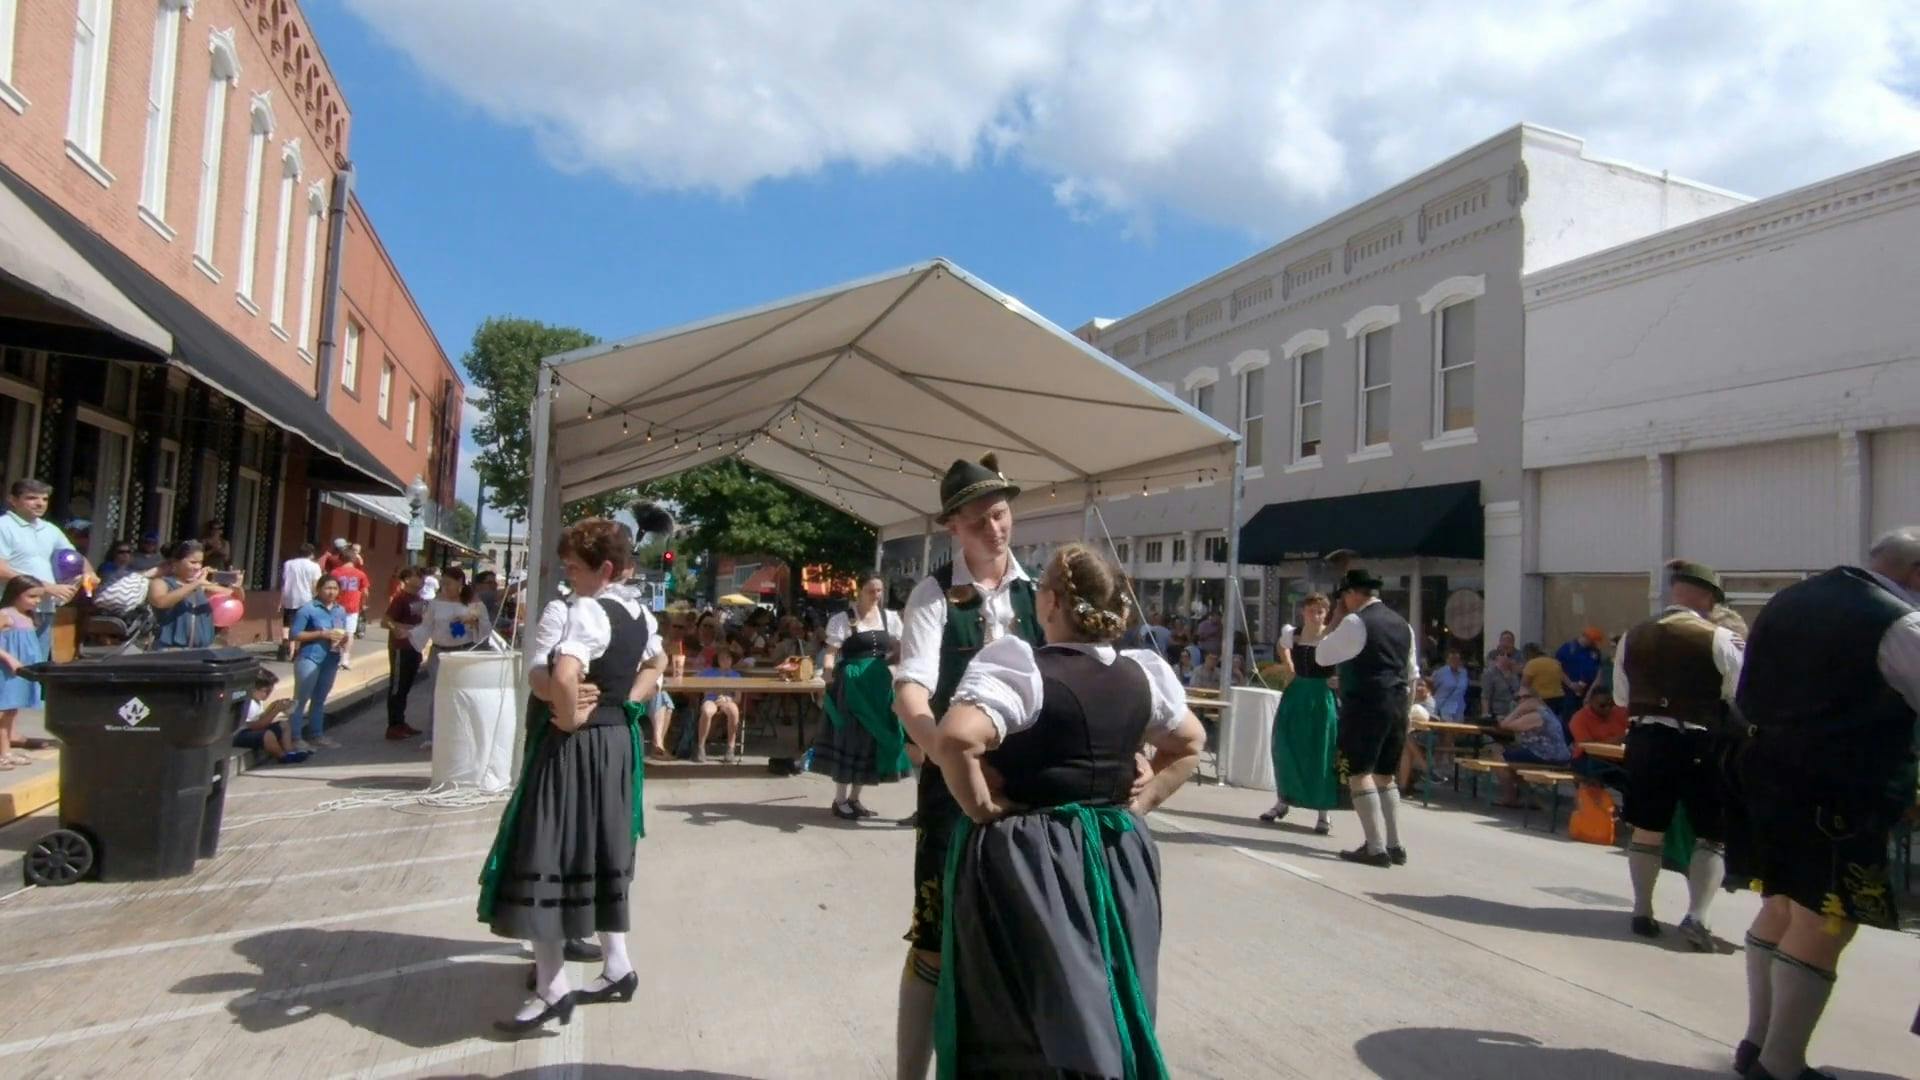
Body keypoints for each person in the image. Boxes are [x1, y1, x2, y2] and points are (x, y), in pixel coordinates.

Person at [930, 543, 1205, 1076]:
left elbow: (956, 738)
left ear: (1051, 601)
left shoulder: (1025, 668)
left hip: (1037, 861)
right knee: (1113, 993)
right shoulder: (1142, 674)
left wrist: (984, 808)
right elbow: (1190, 742)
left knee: (1025, 1010)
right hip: (1121, 854)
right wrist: (1141, 800)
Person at [1721, 529, 1919, 1080]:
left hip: (1766, 773)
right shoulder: (1898, 621)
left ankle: (1756, 1045)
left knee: (1781, 903)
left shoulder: (1790, 599)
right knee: (1826, 920)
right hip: (1838, 786)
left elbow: (1744, 690)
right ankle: (1781, 1064)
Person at [891, 453, 1049, 1078]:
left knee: (1022, 937)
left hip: (1032, 792)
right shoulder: (934, 595)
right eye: (980, 520)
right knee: (934, 937)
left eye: (1002, 515)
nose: (995, 529)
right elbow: (910, 691)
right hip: (952, 793)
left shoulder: (1042, 594)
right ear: (952, 525)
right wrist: (946, 758)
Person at [477, 518, 664, 1036]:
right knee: (602, 849)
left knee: (547, 849)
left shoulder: (585, 609)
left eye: (574, 567)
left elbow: (561, 675)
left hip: (577, 745)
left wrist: (572, 712)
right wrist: (623, 703)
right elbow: (657, 664)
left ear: (604, 569)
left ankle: (553, 988)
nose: (567, 574)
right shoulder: (638, 612)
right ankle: (615, 967)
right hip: (614, 745)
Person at [1614, 558, 1744, 950]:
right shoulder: (1717, 638)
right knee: (1711, 832)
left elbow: (1622, 696)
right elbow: (1740, 691)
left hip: (1646, 739)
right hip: (1701, 742)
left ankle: (1642, 910)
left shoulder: (1632, 635)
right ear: (1708, 596)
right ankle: (1697, 916)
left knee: (1647, 829)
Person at [1314, 568, 1418, 869]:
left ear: (1352, 594)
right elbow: (1412, 674)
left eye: (1344, 596)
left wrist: (1333, 621)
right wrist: (1407, 713)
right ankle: (1395, 844)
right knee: (1386, 775)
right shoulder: (1403, 624)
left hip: (1366, 703)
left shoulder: (1355, 622)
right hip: (1398, 704)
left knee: (1359, 772)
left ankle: (1375, 847)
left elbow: (1322, 655)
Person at [810, 574, 910, 819]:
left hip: (879, 683)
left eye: (879, 590)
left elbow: (898, 648)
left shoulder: (890, 618)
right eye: (871, 591)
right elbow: (832, 652)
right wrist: (828, 675)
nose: (876, 596)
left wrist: (896, 667)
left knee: (872, 738)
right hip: (852, 684)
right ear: (860, 592)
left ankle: (855, 799)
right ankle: (840, 799)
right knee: (851, 737)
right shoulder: (844, 619)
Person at [1262, 593, 1338, 834]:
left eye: (1320, 611)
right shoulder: (1293, 633)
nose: (1316, 615)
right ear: (1303, 612)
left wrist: (1339, 678)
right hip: (1297, 693)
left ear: (1326, 613)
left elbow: (1351, 658)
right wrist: (1288, 665)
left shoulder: (1332, 636)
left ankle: (1323, 813)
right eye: (1312, 611)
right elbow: (1281, 645)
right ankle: (1283, 800)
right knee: (1286, 746)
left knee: (1321, 749)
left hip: (1320, 695)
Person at [0, 479, 90, 659]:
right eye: (31, 498)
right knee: (11, 665)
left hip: (45, 607)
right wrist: (48, 587)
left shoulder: (50, 529)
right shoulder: (4, 526)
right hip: (11, 608)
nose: (40, 503)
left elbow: (76, 558)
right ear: (13, 500)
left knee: (37, 664)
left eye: (44, 499)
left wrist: (89, 574)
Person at [288, 575, 349, 751]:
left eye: (335, 589)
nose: (331, 592)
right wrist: (321, 634)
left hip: (331, 658)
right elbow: (295, 634)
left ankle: (316, 734)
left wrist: (343, 639)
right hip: (309, 657)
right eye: (328, 588)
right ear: (319, 589)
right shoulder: (307, 609)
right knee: (300, 699)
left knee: (320, 699)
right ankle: (295, 737)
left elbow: (344, 632)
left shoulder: (340, 610)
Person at [149, 541, 240, 649]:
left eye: (200, 563)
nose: (197, 567)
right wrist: (196, 583)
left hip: (201, 651)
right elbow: (160, 602)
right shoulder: (161, 583)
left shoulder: (202, 585)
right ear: (175, 563)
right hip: (170, 650)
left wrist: (237, 586)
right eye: (193, 562)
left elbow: (235, 597)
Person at [1493, 688, 1571, 807]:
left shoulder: (1537, 715)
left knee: (1498, 756)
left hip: (1548, 755)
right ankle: (1530, 798)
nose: (1522, 700)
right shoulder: (1546, 711)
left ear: (1536, 699)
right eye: (1519, 698)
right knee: (1511, 762)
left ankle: (1509, 798)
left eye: (1526, 697)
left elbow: (1504, 725)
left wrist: (1519, 709)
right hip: (1552, 754)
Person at [0, 576, 47, 769]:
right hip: (7, 670)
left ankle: (6, 751)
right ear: (16, 594)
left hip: (21, 671)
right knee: (3, 712)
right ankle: (2, 753)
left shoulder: (28, 617)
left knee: (11, 710)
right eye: (31, 596)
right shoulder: (5, 615)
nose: (36, 601)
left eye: (39, 598)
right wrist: (9, 658)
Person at [382, 567, 427, 740]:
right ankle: (393, 725)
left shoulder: (418, 599)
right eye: (418, 576)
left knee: (406, 686)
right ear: (407, 579)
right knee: (398, 686)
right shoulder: (400, 599)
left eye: (423, 577)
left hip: (414, 647)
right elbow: (386, 620)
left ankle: (401, 721)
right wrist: (397, 629)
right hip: (401, 647)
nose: (422, 580)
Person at [233, 669, 309, 764]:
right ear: (253, 688)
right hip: (240, 734)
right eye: (265, 691)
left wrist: (272, 707)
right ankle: (282, 756)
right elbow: (258, 725)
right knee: (268, 734)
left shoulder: (258, 700)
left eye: (270, 692)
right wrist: (276, 710)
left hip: (253, 729)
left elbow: (260, 718)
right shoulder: (247, 704)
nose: (268, 695)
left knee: (284, 724)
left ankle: (290, 751)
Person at [1567, 685, 1630, 788]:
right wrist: (1615, 741)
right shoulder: (1579, 718)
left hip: (1618, 757)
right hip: (1589, 758)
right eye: (1602, 705)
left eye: (1611, 704)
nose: (1608, 708)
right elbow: (1587, 746)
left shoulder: (1619, 712)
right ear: (1591, 702)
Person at [692, 641, 745, 763]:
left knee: (734, 711)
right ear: (717, 660)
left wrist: (728, 699)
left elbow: (738, 698)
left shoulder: (736, 676)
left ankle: (731, 747)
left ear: (732, 660)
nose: (725, 661)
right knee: (706, 711)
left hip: (727, 699)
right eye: (722, 658)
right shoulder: (709, 672)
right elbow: (694, 678)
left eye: (727, 658)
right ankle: (701, 747)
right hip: (711, 698)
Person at [277, 544, 321, 661]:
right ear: (311, 554)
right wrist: (317, 597)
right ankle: (295, 651)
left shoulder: (288, 564)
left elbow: (284, 581)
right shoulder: (314, 566)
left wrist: (281, 599)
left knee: (287, 623)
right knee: (301, 626)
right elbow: (315, 584)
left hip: (289, 597)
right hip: (306, 598)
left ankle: (285, 643)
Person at [1555, 627, 1607, 724]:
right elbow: (1557, 668)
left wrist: (1590, 693)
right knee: (1569, 721)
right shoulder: (1567, 649)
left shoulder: (1595, 652)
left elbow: (1599, 672)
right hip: (1569, 693)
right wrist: (1570, 684)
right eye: (1593, 641)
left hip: (1589, 693)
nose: (1594, 644)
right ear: (1587, 638)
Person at [332, 551, 371, 670]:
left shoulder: (335, 572)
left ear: (341, 559)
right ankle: (345, 659)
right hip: (353, 607)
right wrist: (363, 603)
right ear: (354, 560)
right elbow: (365, 591)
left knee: (337, 632)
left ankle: (335, 657)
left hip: (337, 606)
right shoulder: (360, 574)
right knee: (349, 633)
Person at [1520, 642, 1571, 714]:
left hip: (1542, 699)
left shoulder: (1531, 664)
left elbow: (1524, 685)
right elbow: (1564, 678)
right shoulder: (1554, 662)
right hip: (1559, 698)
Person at [1481, 648, 1523, 722]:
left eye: (1508, 655)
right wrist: (1486, 715)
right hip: (1498, 713)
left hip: (1514, 713)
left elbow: (1518, 691)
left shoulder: (1514, 674)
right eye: (1502, 654)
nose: (1506, 657)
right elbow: (1485, 696)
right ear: (1497, 657)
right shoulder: (1490, 674)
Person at [1431, 648, 1471, 722]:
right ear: (1447, 660)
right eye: (1452, 659)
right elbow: (1433, 687)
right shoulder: (1441, 672)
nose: (1454, 661)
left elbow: (1464, 689)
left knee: (1458, 731)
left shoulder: (1464, 673)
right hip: (1444, 707)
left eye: (1457, 659)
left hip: (1459, 708)